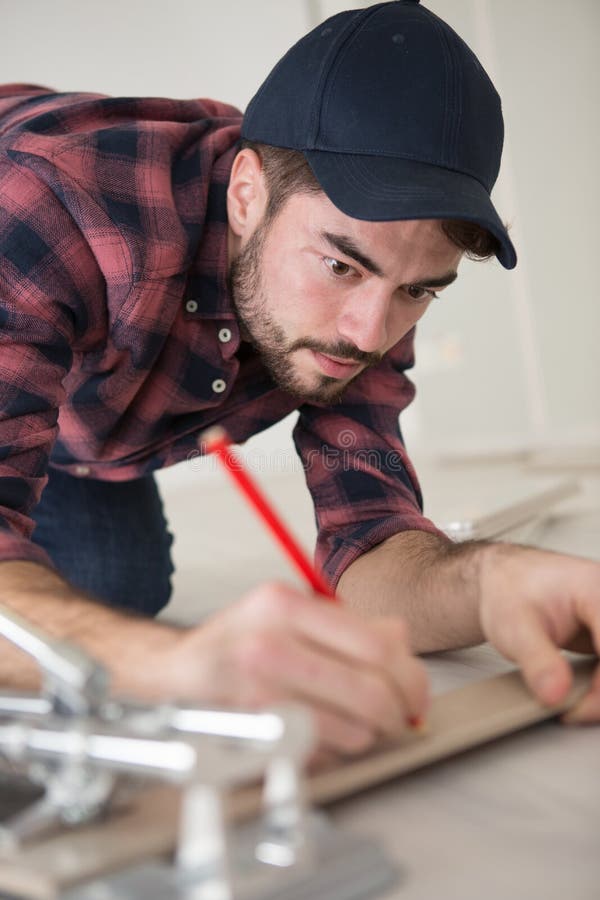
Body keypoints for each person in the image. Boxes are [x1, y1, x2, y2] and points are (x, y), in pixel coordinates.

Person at [0, 1, 597, 755]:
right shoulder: (49, 206)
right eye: (340, 266)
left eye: (419, 290)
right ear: (248, 194)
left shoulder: (371, 301)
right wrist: (178, 665)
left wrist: (490, 580)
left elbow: (370, 540)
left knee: (112, 591)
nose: (370, 334)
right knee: (96, 627)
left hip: (75, 411)